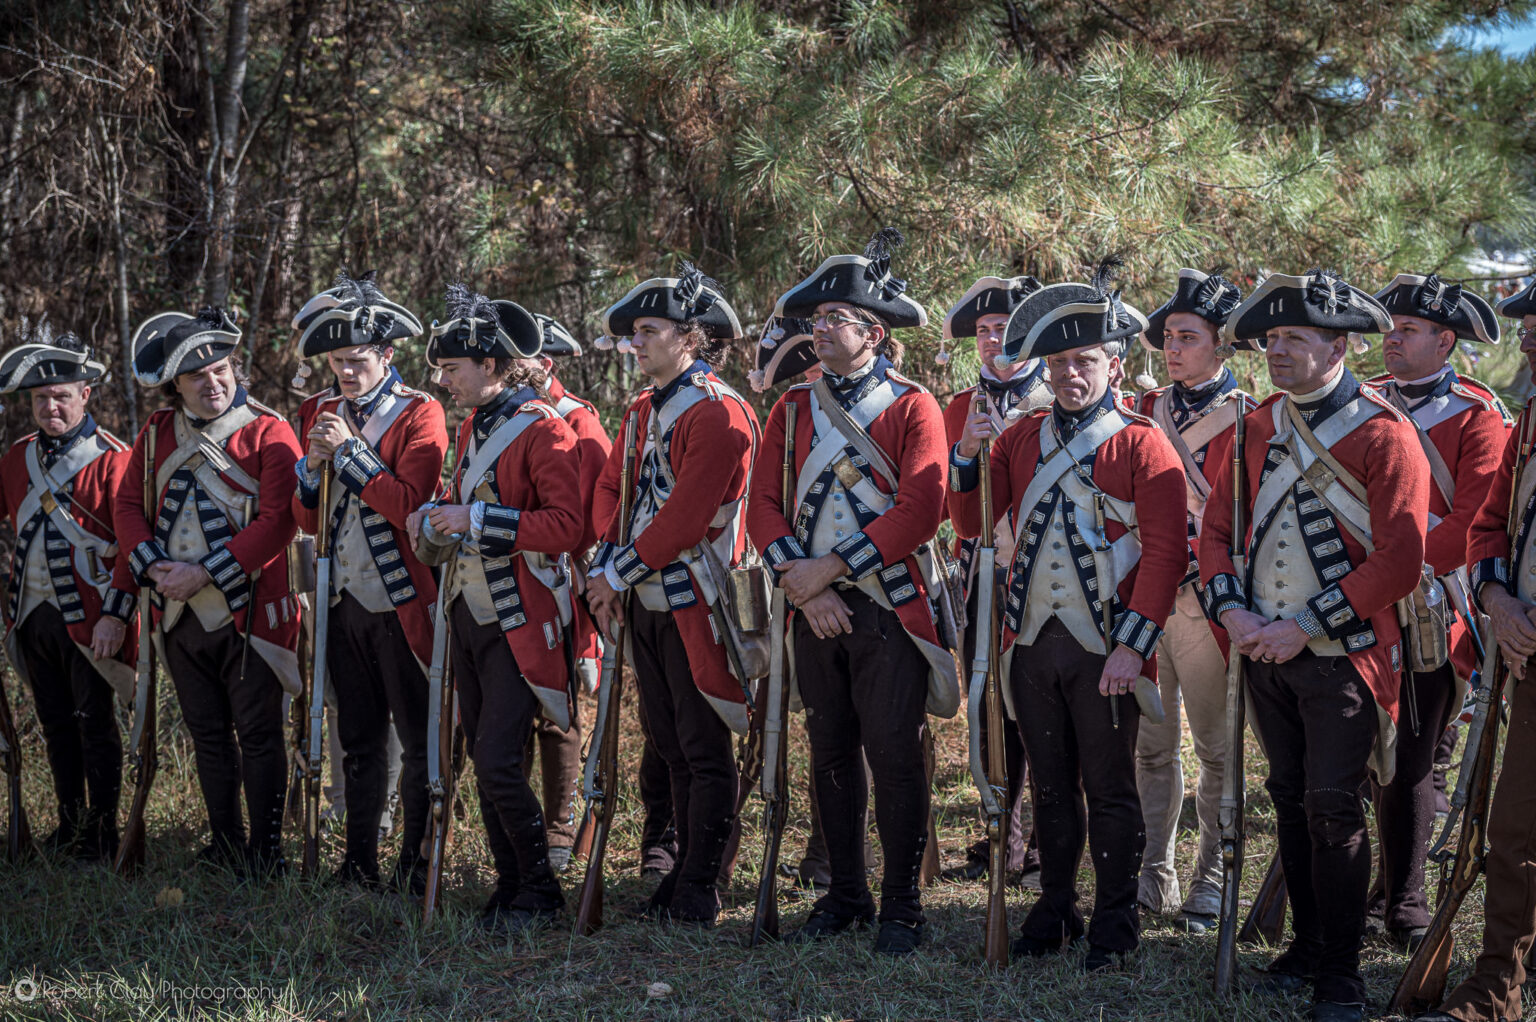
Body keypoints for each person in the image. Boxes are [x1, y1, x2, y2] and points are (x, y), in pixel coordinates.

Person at [1198, 269, 1429, 1022]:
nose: (1277, 350)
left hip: (1342, 656)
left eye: (1294, 337)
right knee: (1290, 800)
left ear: (1338, 347)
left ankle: (1341, 973)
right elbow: (1216, 536)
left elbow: (1400, 559)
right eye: (1271, 338)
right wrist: (1233, 614)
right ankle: (1304, 947)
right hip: (1262, 649)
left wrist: (1304, 624)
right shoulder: (1252, 426)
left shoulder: (1383, 432)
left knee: (1334, 807)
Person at [949, 260, 1187, 971]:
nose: (1068, 374)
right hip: (1029, 643)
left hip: (1106, 645)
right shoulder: (1019, 438)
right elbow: (971, 522)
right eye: (1057, 362)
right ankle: (1056, 907)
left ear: (1115, 366)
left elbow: (1166, 554)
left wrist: (1133, 648)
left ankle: (1116, 921)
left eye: (1083, 360)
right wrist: (968, 454)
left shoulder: (1142, 442)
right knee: (1051, 787)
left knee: (1109, 789)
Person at [746, 228, 959, 954]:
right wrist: (804, 588)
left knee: (894, 753)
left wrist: (828, 570)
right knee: (830, 750)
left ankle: (901, 902)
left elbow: (921, 510)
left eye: (836, 317)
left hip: (887, 604)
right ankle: (845, 893)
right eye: (817, 318)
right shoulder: (791, 409)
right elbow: (763, 507)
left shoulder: (913, 405)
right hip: (813, 608)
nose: (821, 328)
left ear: (873, 333)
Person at [586, 262, 760, 927]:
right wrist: (609, 562)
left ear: (690, 337)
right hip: (647, 598)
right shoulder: (640, 409)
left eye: (650, 330)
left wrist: (615, 574)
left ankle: (701, 884)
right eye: (634, 331)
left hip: (700, 600)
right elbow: (613, 489)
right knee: (670, 743)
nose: (636, 342)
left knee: (704, 746)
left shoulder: (718, 411)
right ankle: (684, 873)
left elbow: (686, 519)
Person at [407, 286, 583, 933]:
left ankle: (540, 890)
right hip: (468, 615)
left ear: (490, 364)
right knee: (486, 763)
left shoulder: (544, 428)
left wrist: (475, 519)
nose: (443, 381)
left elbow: (566, 527)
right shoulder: (471, 425)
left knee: (499, 762)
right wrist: (438, 517)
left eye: (453, 369)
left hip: (517, 616)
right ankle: (511, 887)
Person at [116, 307, 303, 877]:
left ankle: (265, 853)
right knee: (207, 734)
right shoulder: (156, 433)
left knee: (260, 734)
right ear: (176, 384)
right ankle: (224, 844)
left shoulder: (269, 429)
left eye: (220, 369)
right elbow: (127, 506)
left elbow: (278, 521)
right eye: (197, 376)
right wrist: (153, 567)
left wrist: (205, 573)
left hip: (250, 615)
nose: (212, 382)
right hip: (177, 614)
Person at [1362, 273, 1508, 950]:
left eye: (1409, 330)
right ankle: (1362, 889)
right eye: (1390, 328)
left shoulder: (1477, 415)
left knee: (1413, 760)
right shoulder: (1361, 402)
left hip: (1431, 604)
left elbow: (1476, 518)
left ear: (1445, 341)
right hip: (1356, 597)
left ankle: (1405, 900)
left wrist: (1395, 563)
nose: (1392, 339)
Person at [290, 270, 446, 892]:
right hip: (340, 600)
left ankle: (415, 864)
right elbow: (306, 519)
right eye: (337, 362)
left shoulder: (421, 411)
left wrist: (350, 455)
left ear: (386, 353)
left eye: (358, 359)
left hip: (399, 600)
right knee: (356, 738)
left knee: (416, 740)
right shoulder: (319, 411)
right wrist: (312, 470)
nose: (347, 372)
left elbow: (411, 505)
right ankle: (358, 862)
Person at [1416, 276, 1536, 1022]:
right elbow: (1489, 527)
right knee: (1516, 831)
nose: (1527, 336)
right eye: (1527, 324)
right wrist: (1495, 600)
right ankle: (1497, 987)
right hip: (1527, 649)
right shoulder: (1530, 422)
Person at [1132, 267, 1256, 932]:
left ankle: (1213, 876)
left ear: (1220, 344)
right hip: (1147, 598)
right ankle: (1154, 873)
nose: (1173, 348)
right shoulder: (1143, 411)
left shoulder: (1252, 417)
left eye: (1188, 337)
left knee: (1216, 749)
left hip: (1209, 603)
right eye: (1168, 338)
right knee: (1151, 748)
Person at [0, 333, 136, 860]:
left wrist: (116, 617)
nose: (50, 407)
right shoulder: (18, 457)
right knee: (55, 722)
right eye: (41, 398)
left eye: (61, 396)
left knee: (94, 724)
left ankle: (101, 832)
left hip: (91, 619)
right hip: (31, 617)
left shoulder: (114, 458)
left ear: (85, 395)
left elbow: (133, 548)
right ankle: (69, 823)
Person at [937, 274, 1051, 887]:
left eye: (1003, 327)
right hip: (984, 575)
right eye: (982, 330)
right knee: (988, 710)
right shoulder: (960, 406)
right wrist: (963, 453)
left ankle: (1045, 847)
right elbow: (951, 511)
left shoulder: (1060, 397)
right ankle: (1000, 835)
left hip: (1051, 578)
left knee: (1045, 708)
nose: (991, 339)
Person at [518, 313, 615, 873]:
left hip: (564, 580)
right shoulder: (500, 416)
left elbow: (597, 513)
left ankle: (559, 831)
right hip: (512, 578)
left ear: (545, 362)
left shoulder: (578, 419)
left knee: (559, 709)